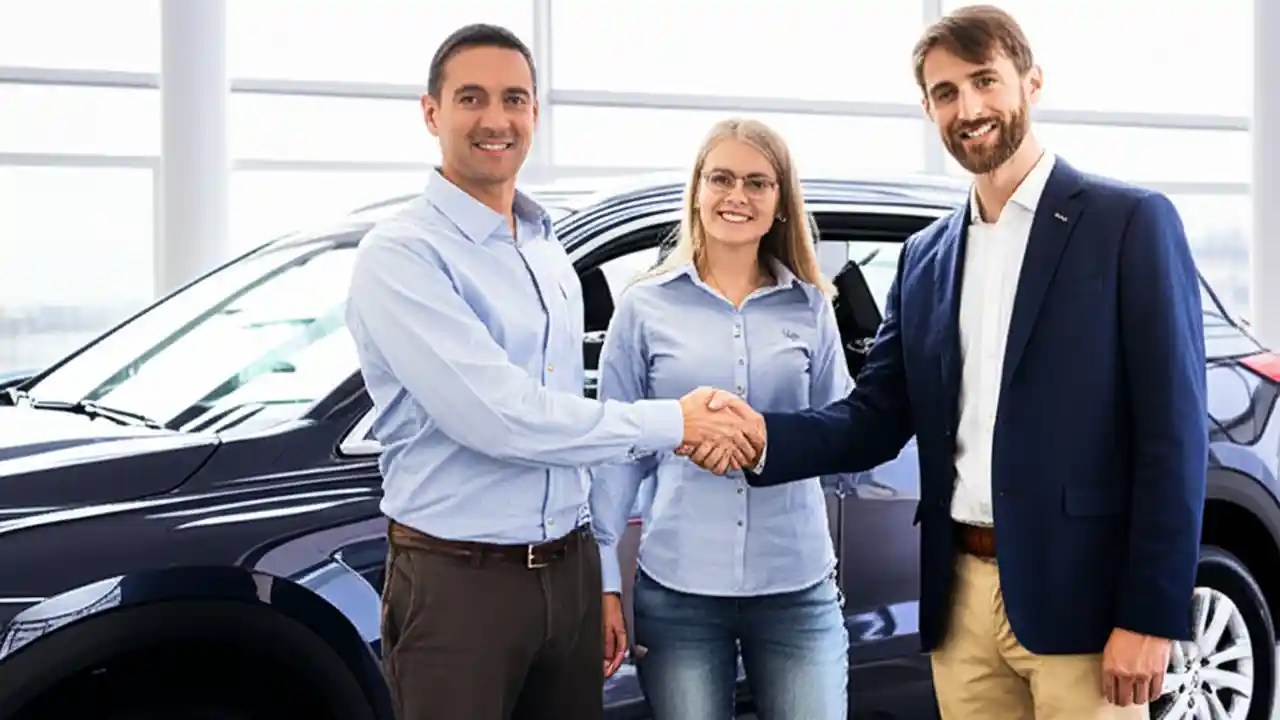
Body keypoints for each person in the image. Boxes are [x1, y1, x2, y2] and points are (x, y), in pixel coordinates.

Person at [685, 5, 1207, 719]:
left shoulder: (1127, 224)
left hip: (1081, 603)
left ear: (1031, 83)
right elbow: (876, 417)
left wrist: (1150, 613)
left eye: (985, 80)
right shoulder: (926, 258)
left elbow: (1173, 435)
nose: (969, 107)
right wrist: (761, 436)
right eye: (945, 93)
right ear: (928, 109)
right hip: (958, 601)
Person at [344, 24, 758, 720]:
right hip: (459, 585)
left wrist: (595, 579)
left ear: (535, 113)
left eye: (514, 98)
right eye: (471, 98)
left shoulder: (544, 248)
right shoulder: (403, 255)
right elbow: (503, 416)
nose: (495, 119)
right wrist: (675, 422)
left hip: (564, 579)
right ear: (431, 112)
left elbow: (567, 423)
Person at [590, 118, 851, 719]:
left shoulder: (812, 307)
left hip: (797, 586)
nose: (738, 196)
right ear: (698, 191)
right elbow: (615, 456)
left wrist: (763, 442)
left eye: (758, 182)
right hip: (679, 589)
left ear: (781, 202)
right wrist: (604, 579)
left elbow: (843, 435)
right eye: (722, 179)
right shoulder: (643, 306)